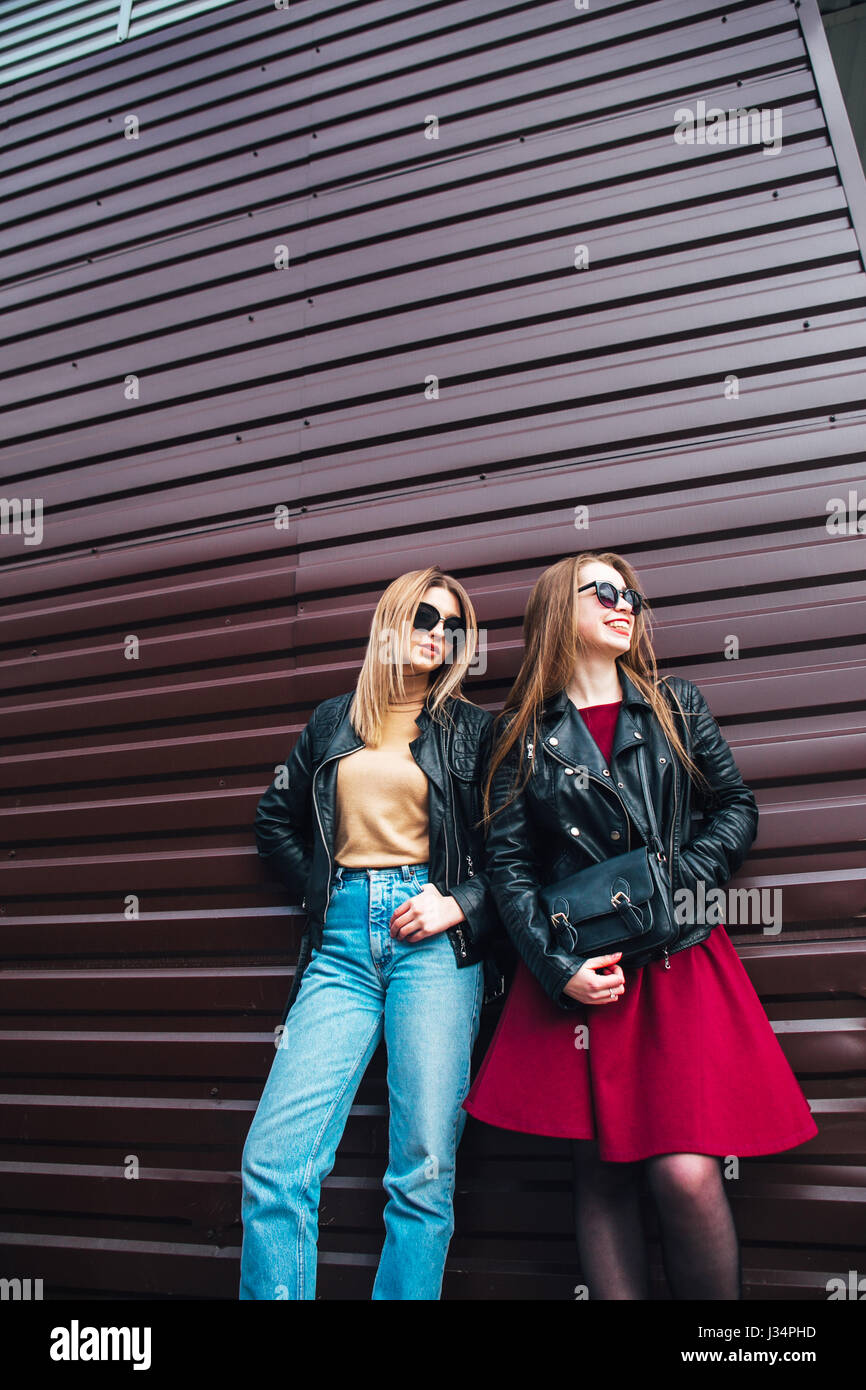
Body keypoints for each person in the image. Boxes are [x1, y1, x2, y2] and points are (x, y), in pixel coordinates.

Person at [463, 551, 818, 1300]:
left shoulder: (674, 705)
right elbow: (510, 870)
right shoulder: (520, 734)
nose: (625, 604)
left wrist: (675, 882)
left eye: (630, 594)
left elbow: (736, 808)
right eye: (605, 592)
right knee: (602, 1174)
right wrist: (557, 970)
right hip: (587, 973)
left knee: (686, 1172)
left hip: (679, 962)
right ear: (563, 609)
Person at [239, 565, 502, 1300]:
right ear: (390, 620)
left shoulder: (474, 732)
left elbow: (517, 855)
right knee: (274, 1160)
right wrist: (328, 899)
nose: (438, 635)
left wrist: (462, 902)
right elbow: (275, 823)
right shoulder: (333, 721)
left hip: (436, 948)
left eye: (452, 626)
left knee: (422, 1168)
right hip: (342, 947)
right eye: (423, 616)